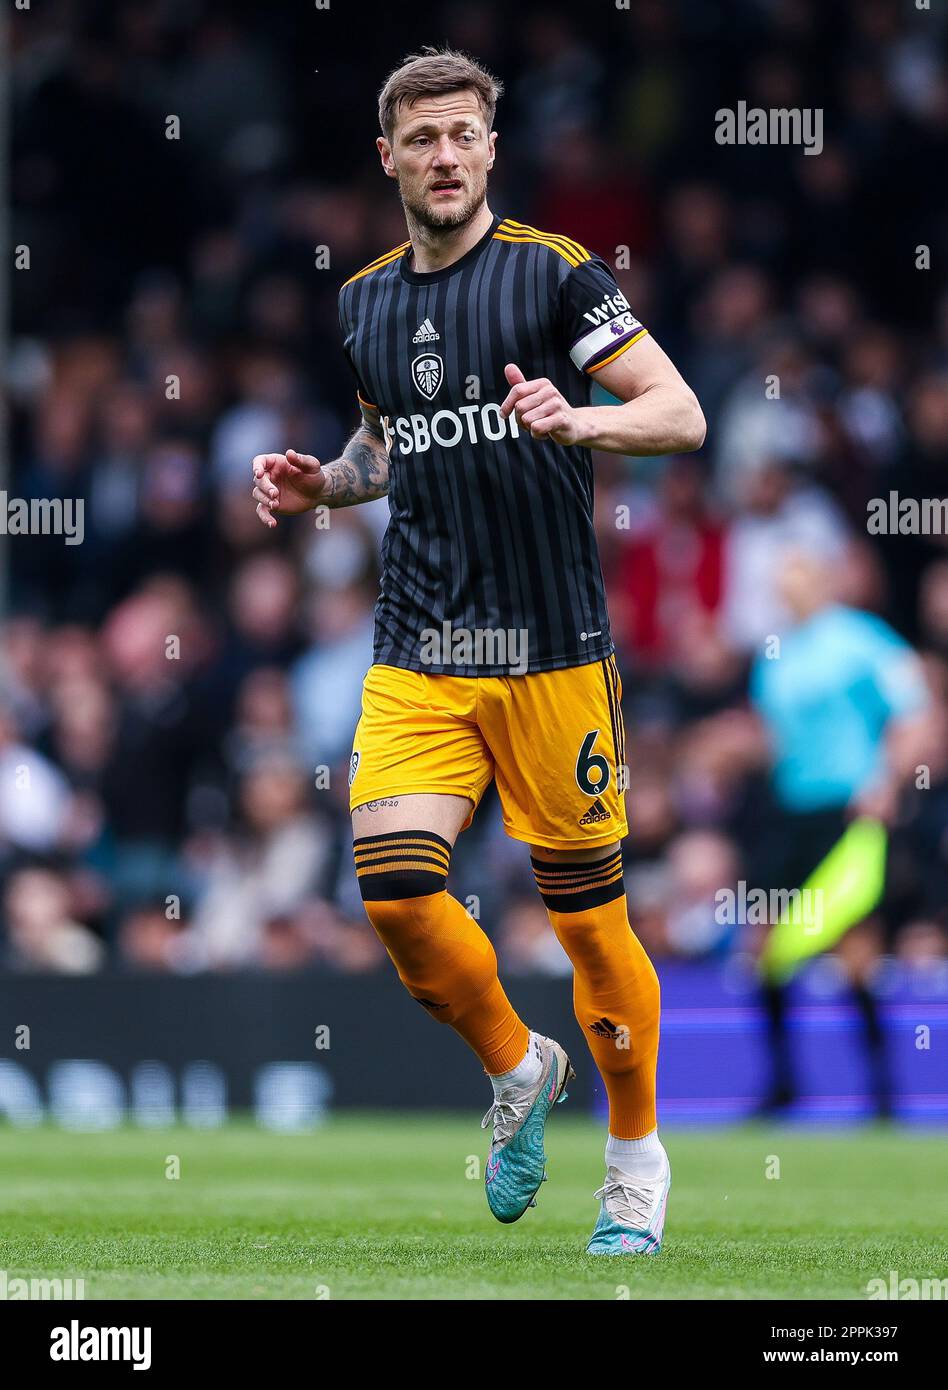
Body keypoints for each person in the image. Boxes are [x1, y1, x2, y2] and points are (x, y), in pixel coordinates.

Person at [251, 47, 705, 1255]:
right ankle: (518, 1064)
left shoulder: (557, 277)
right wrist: (321, 488)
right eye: (422, 139)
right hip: (422, 647)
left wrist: (581, 415)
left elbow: (681, 410)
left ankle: (634, 1161)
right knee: (397, 894)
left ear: (491, 149)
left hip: (554, 651)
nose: (444, 157)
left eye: (464, 136)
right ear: (388, 155)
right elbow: (382, 455)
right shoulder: (362, 302)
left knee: (591, 928)